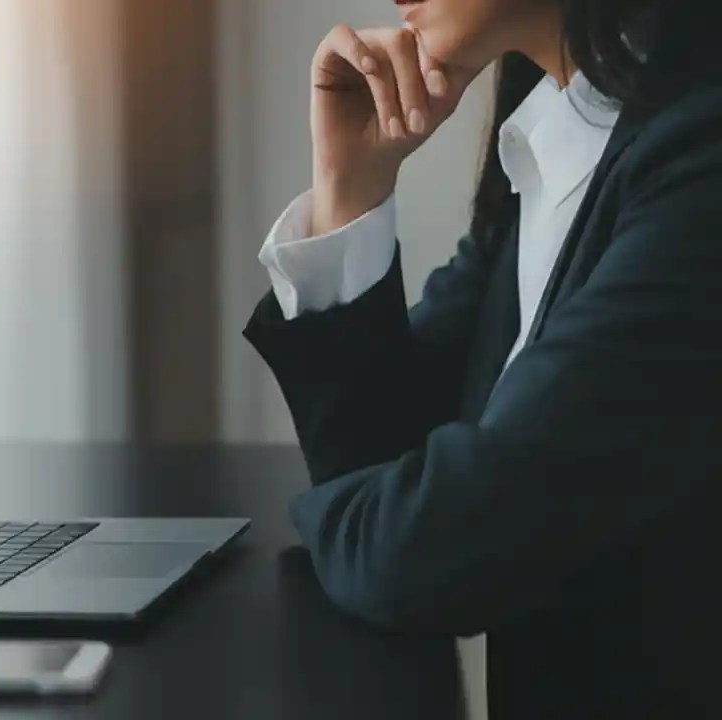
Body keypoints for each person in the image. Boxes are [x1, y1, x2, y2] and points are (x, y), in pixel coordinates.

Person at [242, 0, 722, 715]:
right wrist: (349, 187)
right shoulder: (564, 129)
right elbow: (381, 456)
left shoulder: (697, 163)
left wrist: (332, 522)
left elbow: (421, 558)